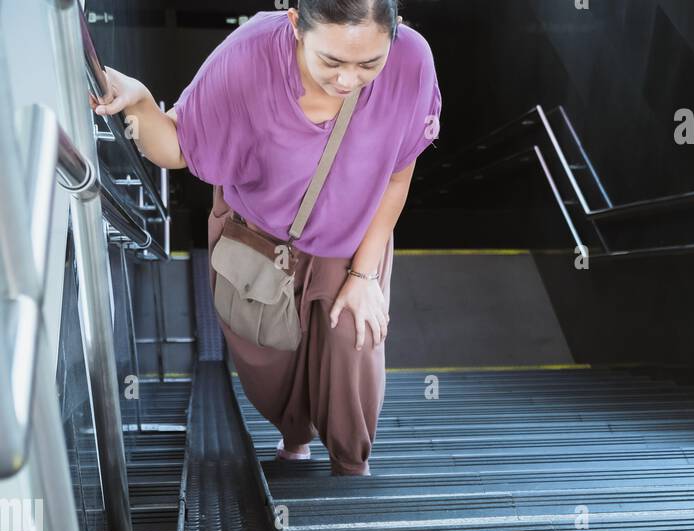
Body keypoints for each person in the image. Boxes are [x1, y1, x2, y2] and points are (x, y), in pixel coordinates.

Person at [89, 2, 442, 477]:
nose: (348, 80)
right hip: (257, 234)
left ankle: (350, 471)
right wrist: (140, 101)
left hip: (353, 240)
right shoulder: (249, 54)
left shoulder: (412, 59)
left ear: (394, 35)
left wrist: (365, 274)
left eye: (369, 64)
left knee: (353, 341)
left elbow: (399, 176)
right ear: (297, 24)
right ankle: (294, 433)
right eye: (332, 62)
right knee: (269, 359)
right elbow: (177, 146)